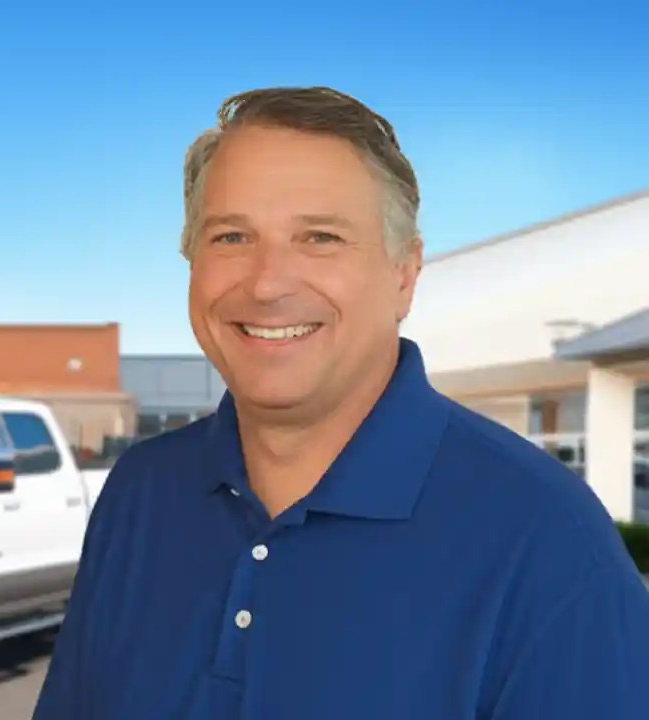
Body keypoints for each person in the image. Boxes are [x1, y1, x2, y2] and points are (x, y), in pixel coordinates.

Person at [32, 86, 649, 719]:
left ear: (404, 275)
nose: (268, 282)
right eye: (231, 237)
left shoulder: (549, 543)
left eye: (320, 237)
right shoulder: (142, 492)